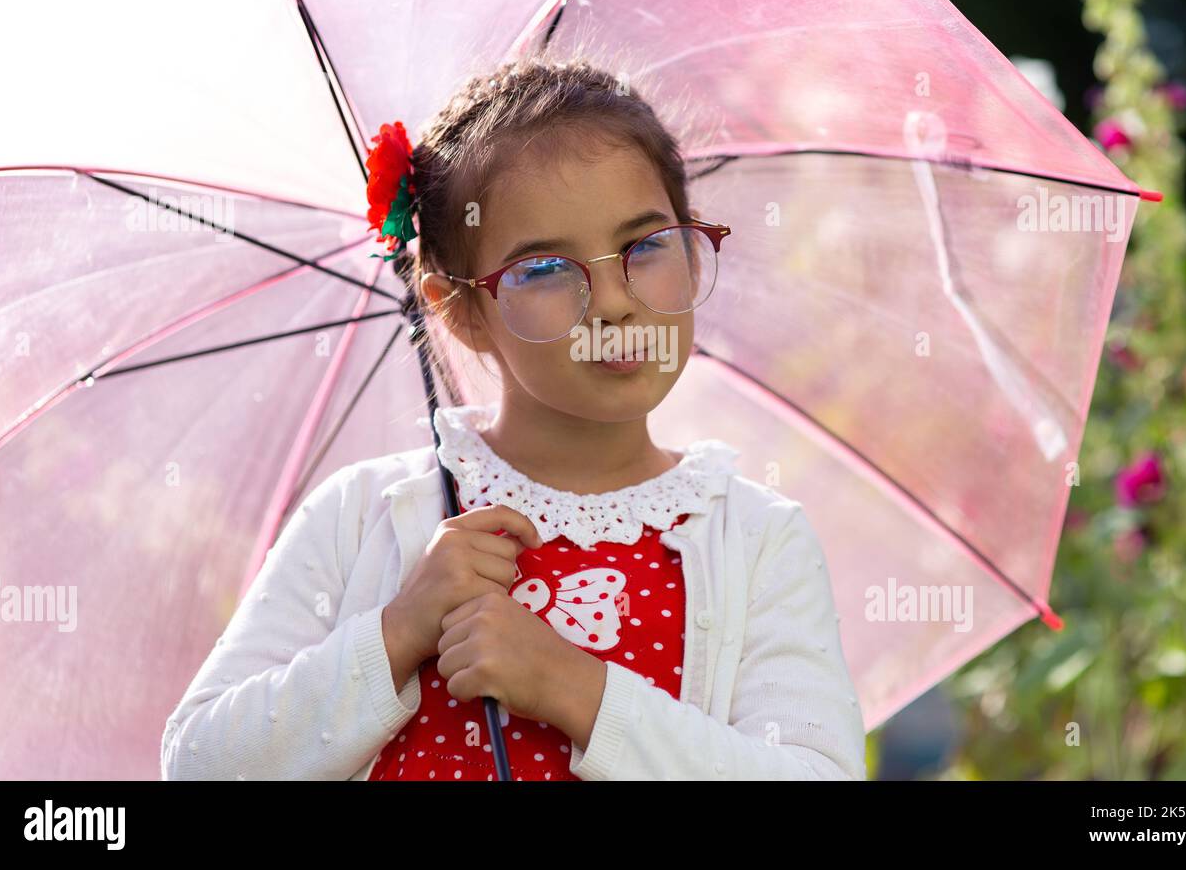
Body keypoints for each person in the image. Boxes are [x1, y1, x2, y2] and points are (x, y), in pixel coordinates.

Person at [160, 55, 866, 781]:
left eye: (645, 246)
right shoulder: (364, 517)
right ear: (457, 308)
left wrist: (575, 690)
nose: (616, 302)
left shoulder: (754, 541)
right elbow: (200, 763)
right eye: (545, 269)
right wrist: (400, 629)